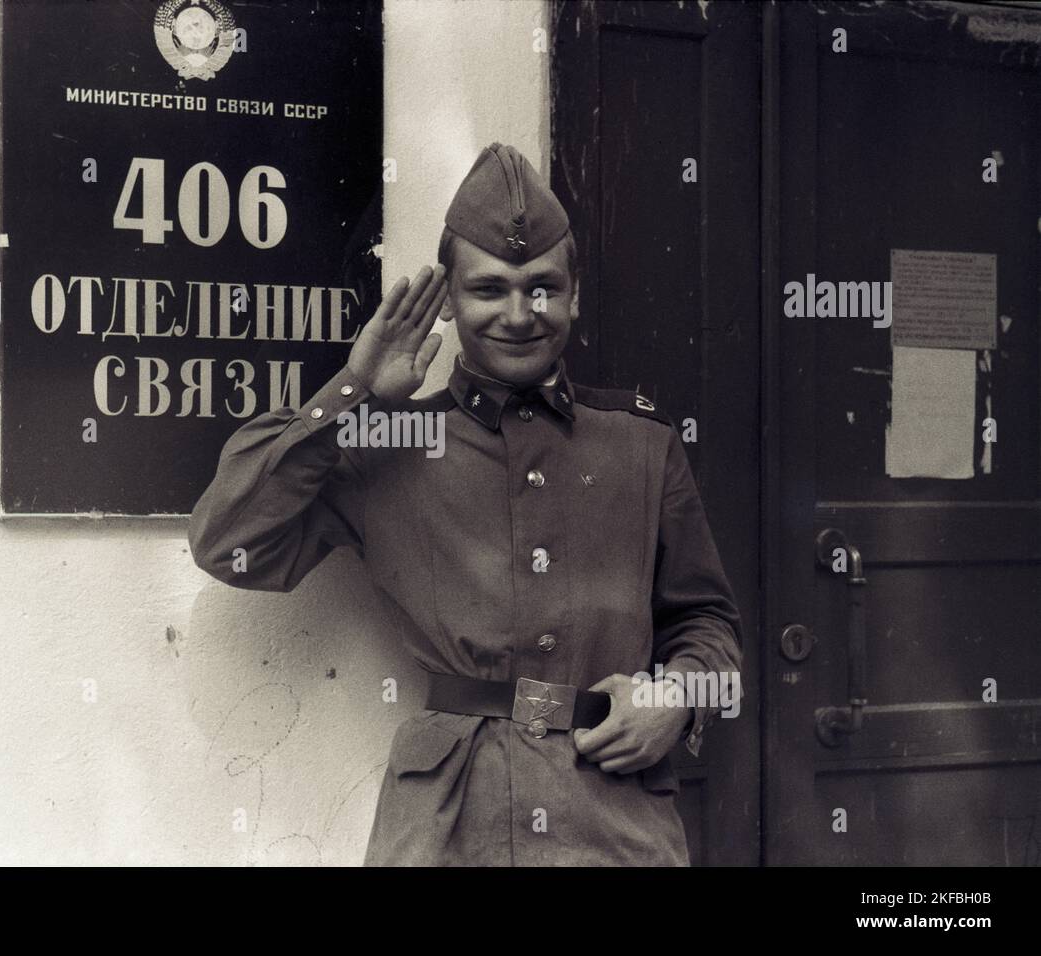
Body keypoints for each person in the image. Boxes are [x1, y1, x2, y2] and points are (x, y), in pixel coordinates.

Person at [188, 142, 742, 865]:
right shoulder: (385, 441)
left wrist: (678, 696)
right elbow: (228, 539)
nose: (520, 314)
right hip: (449, 826)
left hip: (614, 823)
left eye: (542, 287)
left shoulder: (639, 443)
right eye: (489, 290)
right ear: (448, 297)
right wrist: (353, 393)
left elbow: (707, 621)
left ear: (574, 292)